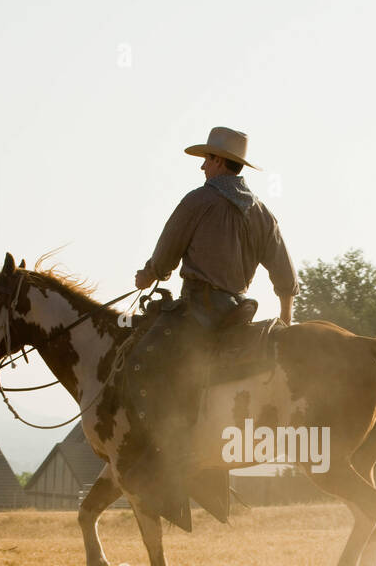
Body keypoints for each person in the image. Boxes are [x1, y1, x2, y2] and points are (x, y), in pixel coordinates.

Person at [127, 126, 298, 527]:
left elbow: (166, 254)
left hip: (199, 309)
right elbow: (284, 270)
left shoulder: (199, 200)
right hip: (238, 311)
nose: (202, 165)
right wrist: (287, 317)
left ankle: (174, 456)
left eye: (207, 158)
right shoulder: (260, 211)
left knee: (143, 361)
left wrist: (148, 276)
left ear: (221, 162)